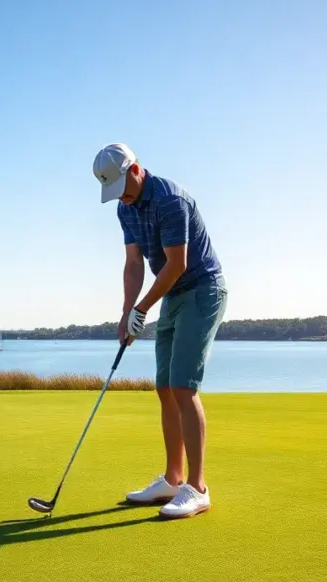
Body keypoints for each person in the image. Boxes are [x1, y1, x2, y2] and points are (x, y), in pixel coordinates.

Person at [93, 143, 228, 519]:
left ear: (136, 169)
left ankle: (197, 488)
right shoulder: (125, 208)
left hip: (202, 289)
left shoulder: (170, 200)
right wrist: (126, 314)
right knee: (165, 387)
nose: (122, 196)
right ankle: (172, 478)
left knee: (184, 386)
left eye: (123, 185)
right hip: (171, 293)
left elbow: (177, 264)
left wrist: (142, 309)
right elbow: (134, 263)